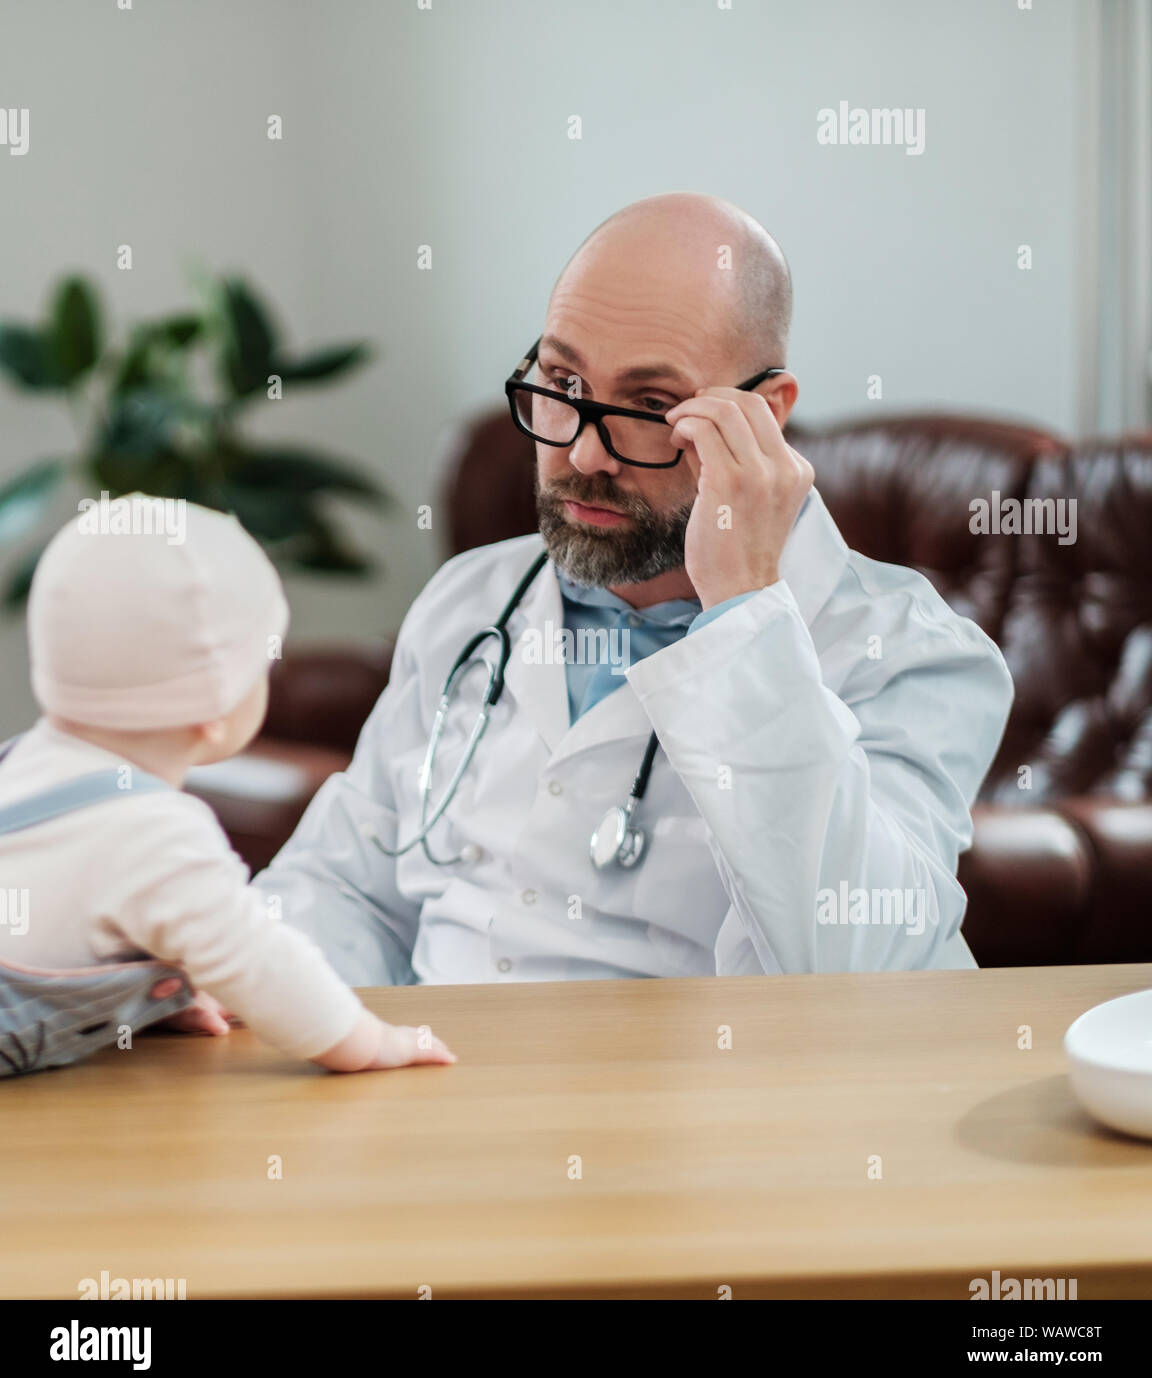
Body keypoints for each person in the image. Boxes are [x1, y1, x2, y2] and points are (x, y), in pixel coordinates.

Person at [254, 192, 1015, 985]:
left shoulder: (912, 655)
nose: (585, 453)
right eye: (564, 380)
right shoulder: (471, 601)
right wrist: (236, 976)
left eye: (651, 405)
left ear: (766, 414)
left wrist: (744, 616)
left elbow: (871, 973)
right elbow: (343, 885)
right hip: (426, 1085)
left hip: (702, 1102)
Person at [0, 498, 455, 1075]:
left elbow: (76, 929)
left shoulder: (20, 766)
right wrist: (368, 1043)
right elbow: (258, 961)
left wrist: (141, 1002)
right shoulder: (159, 833)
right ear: (215, 704)